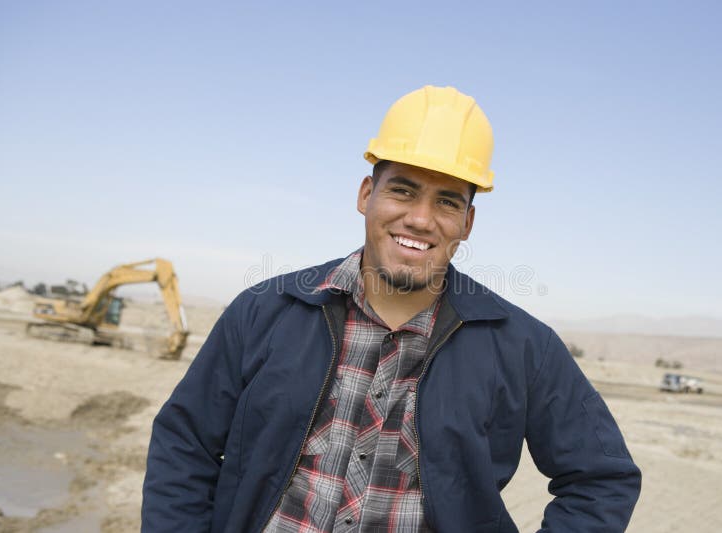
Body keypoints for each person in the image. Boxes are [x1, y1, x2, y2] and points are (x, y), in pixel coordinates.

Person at [142, 85, 641, 532]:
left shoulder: (523, 346)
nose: (421, 219)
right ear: (366, 195)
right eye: (402, 190)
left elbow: (602, 479)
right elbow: (185, 443)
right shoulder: (265, 311)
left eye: (447, 202)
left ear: (467, 222)